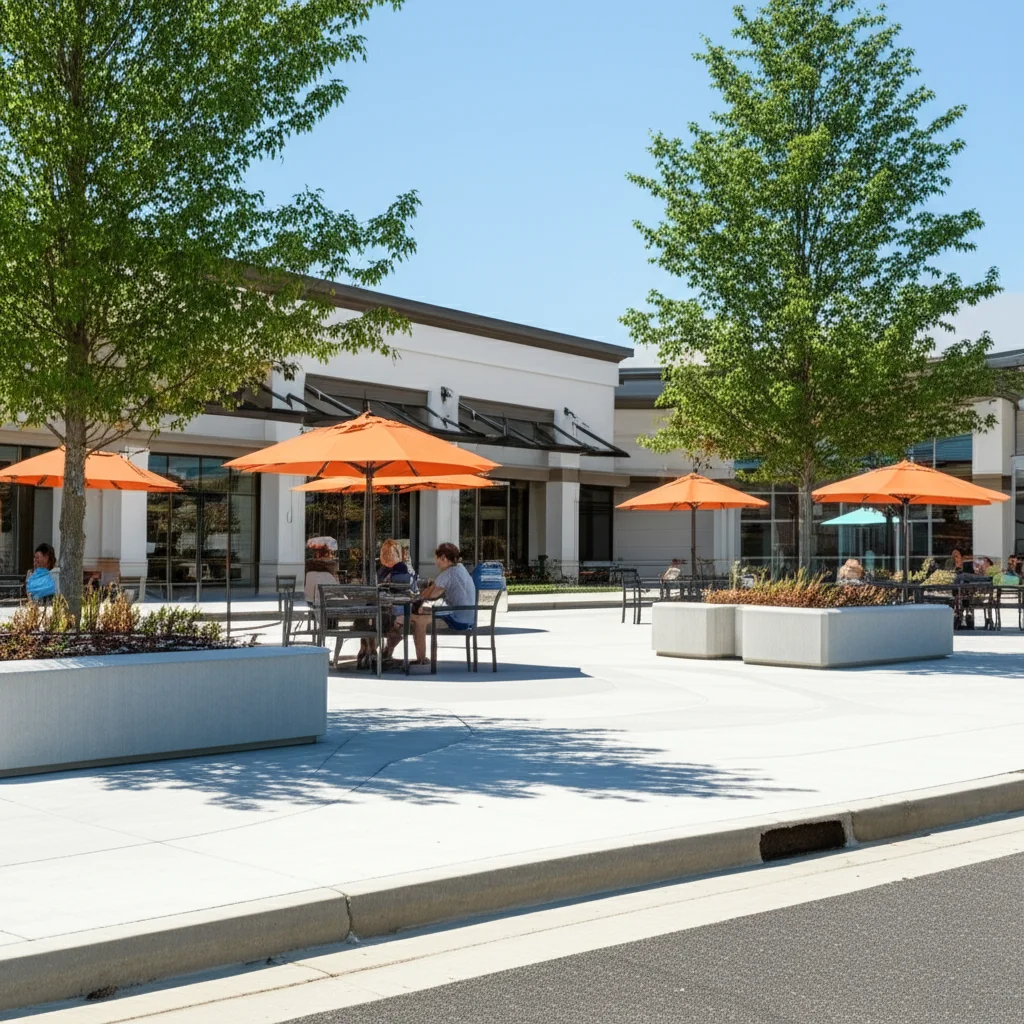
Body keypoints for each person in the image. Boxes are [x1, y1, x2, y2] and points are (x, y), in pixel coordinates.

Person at [403, 542, 476, 665]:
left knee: (419, 619)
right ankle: (422, 658)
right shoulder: (460, 569)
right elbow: (432, 589)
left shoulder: (449, 573)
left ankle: (421, 658)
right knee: (423, 612)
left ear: (443, 558)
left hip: (459, 618)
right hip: (468, 616)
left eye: (436, 558)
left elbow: (432, 595)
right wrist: (422, 595)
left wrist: (415, 597)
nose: (435, 562)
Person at [359, 539, 410, 670]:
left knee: (368, 622)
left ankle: (370, 652)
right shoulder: (400, 567)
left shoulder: (381, 570)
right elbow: (403, 588)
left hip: (378, 613)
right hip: (391, 613)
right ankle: (386, 653)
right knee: (398, 624)